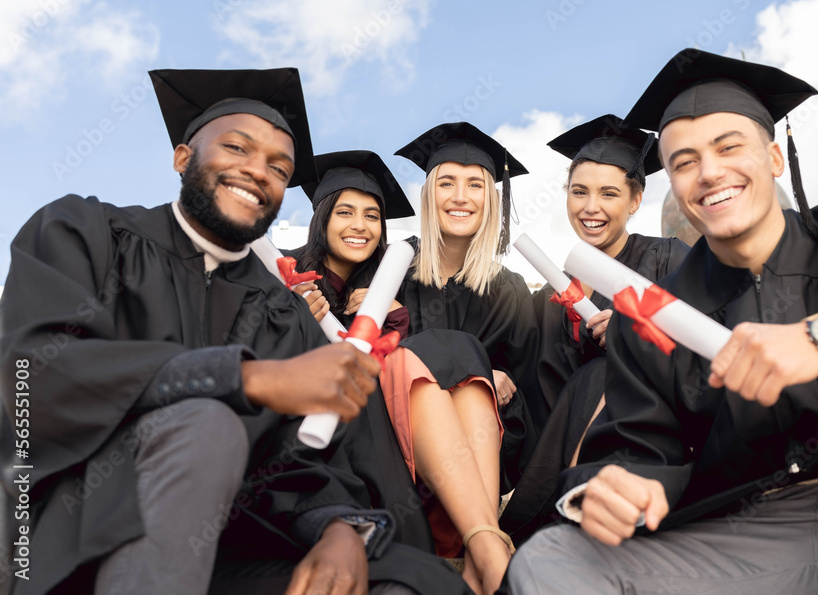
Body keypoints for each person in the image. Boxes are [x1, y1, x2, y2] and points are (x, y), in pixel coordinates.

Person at [507, 49, 818, 594]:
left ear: (772, 158)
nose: (709, 172)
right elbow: (636, 448)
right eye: (685, 161)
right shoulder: (653, 316)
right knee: (551, 558)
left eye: (728, 147)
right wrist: (615, 489)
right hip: (750, 542)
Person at [0, 68, 468, 595]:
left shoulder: (282, 313)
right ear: (182, 158)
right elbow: (29, 380)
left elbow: (303, 457)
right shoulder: (88, 235)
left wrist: (339, 527)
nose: (257, 172)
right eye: (237, 148)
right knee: (208, 424)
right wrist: (243, 379)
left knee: (414, 581)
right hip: (76, 529)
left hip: (232, 547)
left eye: (278, 167)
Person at [341, 122, 540, 595]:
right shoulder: (387, 272)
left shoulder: (509, 288)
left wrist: (496, 381)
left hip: (489, 445)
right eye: (446, 182)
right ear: (429, 195)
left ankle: (479, 539)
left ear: (492, 200)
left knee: (461, 355)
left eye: (476, 184)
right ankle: (487, 545)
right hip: (397, 450)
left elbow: (530, 388)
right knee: (449, 349)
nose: (461, 195)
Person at [500, 114, 689, 544]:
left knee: (603, 371)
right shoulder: (546, 295)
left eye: (609, 193)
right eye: (579, 191)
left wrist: (636, 330)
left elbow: (703, 339)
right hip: (552, 448)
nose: (591, 207)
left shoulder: (666, 261)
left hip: (644, 447)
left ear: (635, 200)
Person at [290, 149, 414, 335]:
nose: (359, 225)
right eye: (345, 213)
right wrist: (290, 322)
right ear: (321, 220)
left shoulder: (394, 283)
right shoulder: (286, 274)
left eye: (371, 216)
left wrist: (394, 315)